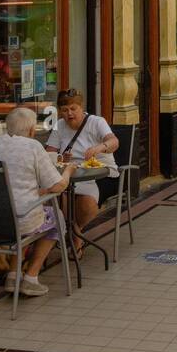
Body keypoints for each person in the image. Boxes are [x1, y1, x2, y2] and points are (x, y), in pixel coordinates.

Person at [0, 106, 75, 297]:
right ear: (32, 130)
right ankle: (31, 277)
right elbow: (58, 187)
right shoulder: (33, 147)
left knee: (27, 214)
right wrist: (69, 171)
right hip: (18, 222)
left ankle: (13, 276)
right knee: (56, 218)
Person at [45, 89, 119, 254]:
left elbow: (114, 141)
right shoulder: (60, 126)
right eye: (65, 110)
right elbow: (49, 153)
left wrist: (100, 147)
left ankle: (73, 232)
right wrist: (60, 157)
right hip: (70, 174)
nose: (69, 113)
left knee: (84, 201)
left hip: (101, 172)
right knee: (59, 195)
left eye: (73, 109)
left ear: (81, 107)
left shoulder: (96, 122)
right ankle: (77, 236)